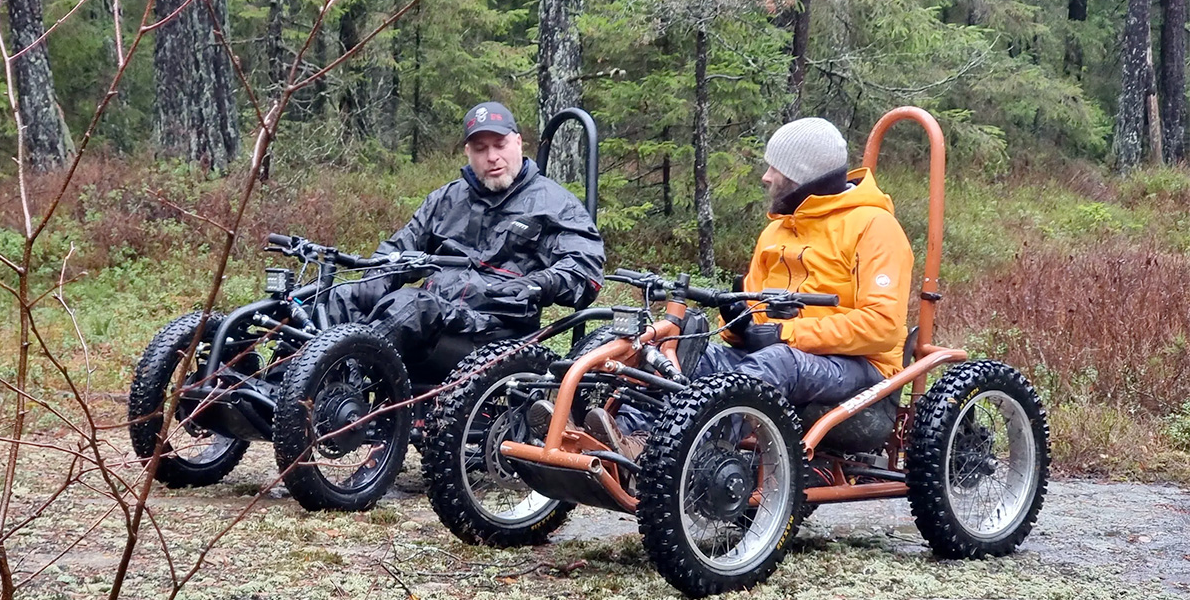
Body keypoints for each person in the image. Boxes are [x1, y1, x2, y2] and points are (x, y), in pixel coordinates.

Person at [580, 117, 914, 459]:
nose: (766, 177)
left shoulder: (875, 228)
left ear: (803, 175)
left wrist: (786, 333)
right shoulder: (776, 231)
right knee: (682, 351)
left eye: (775, 169)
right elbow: (756, 316)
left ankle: (696, 458)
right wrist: (741, 325)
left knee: (775, 363)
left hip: (859, 366)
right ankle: (626, 438)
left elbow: (882, 327)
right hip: (781, 352)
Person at [328, 101, 605, 362]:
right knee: (340, 297)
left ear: (518, 143)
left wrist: (538, 283)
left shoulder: (554, 203)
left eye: (500, 145)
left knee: (409, 307)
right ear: (468, 152)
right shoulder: (447, 198)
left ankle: (347, 378)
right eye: (481, 148)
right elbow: (403, 243)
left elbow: (586, 270)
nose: (492, 157)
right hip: (439, 313)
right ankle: (295, 390)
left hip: (496, 329)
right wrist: (378, 273)